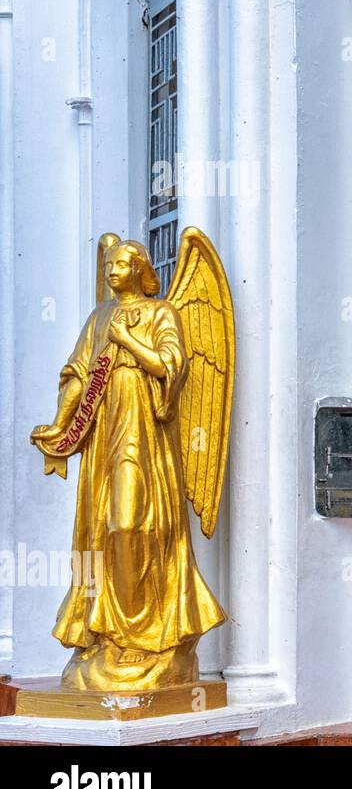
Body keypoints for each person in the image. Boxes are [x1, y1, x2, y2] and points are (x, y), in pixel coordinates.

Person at [30, 240, 226, 690]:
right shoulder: (98, 318)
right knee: (102, 529)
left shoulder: (161, 314)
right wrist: (61, 428)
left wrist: (128, 341)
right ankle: (108, 638)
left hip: (143, 437)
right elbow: (78, 375)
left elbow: (172, 368)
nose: (113, 271)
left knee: (131, 524)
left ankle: (147, 634)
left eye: (122, 264)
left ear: (141, 269)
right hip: (105, 437)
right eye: (110, 265)